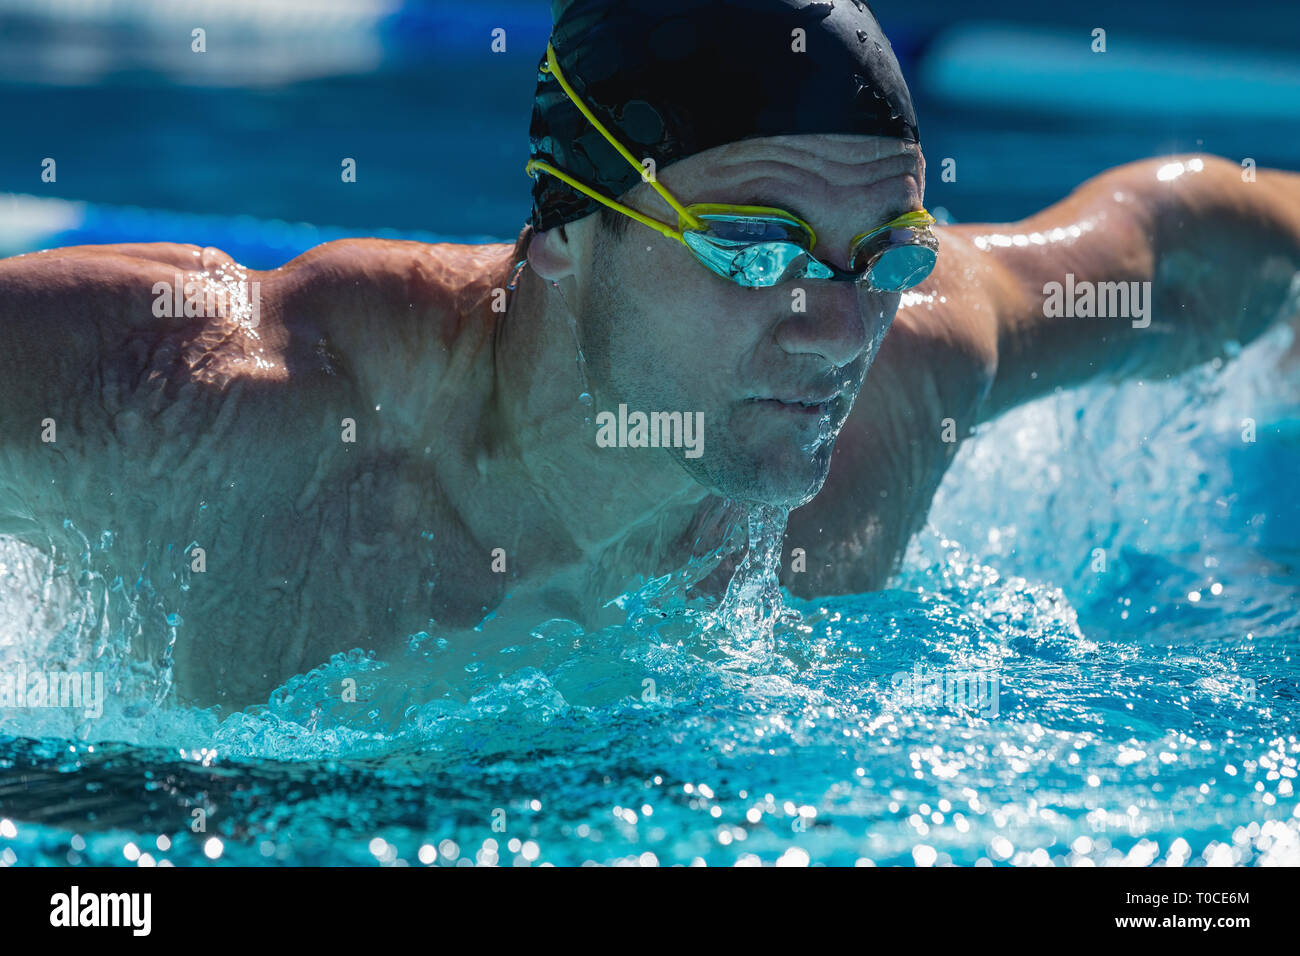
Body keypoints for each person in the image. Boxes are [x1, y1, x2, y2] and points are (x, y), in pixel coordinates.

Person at [1, 0, 1298, 708]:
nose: (838, 324)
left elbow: (1168, 246)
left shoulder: (903, 387)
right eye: (750, 247)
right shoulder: (224, 403)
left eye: (885, 251)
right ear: (561, 233)